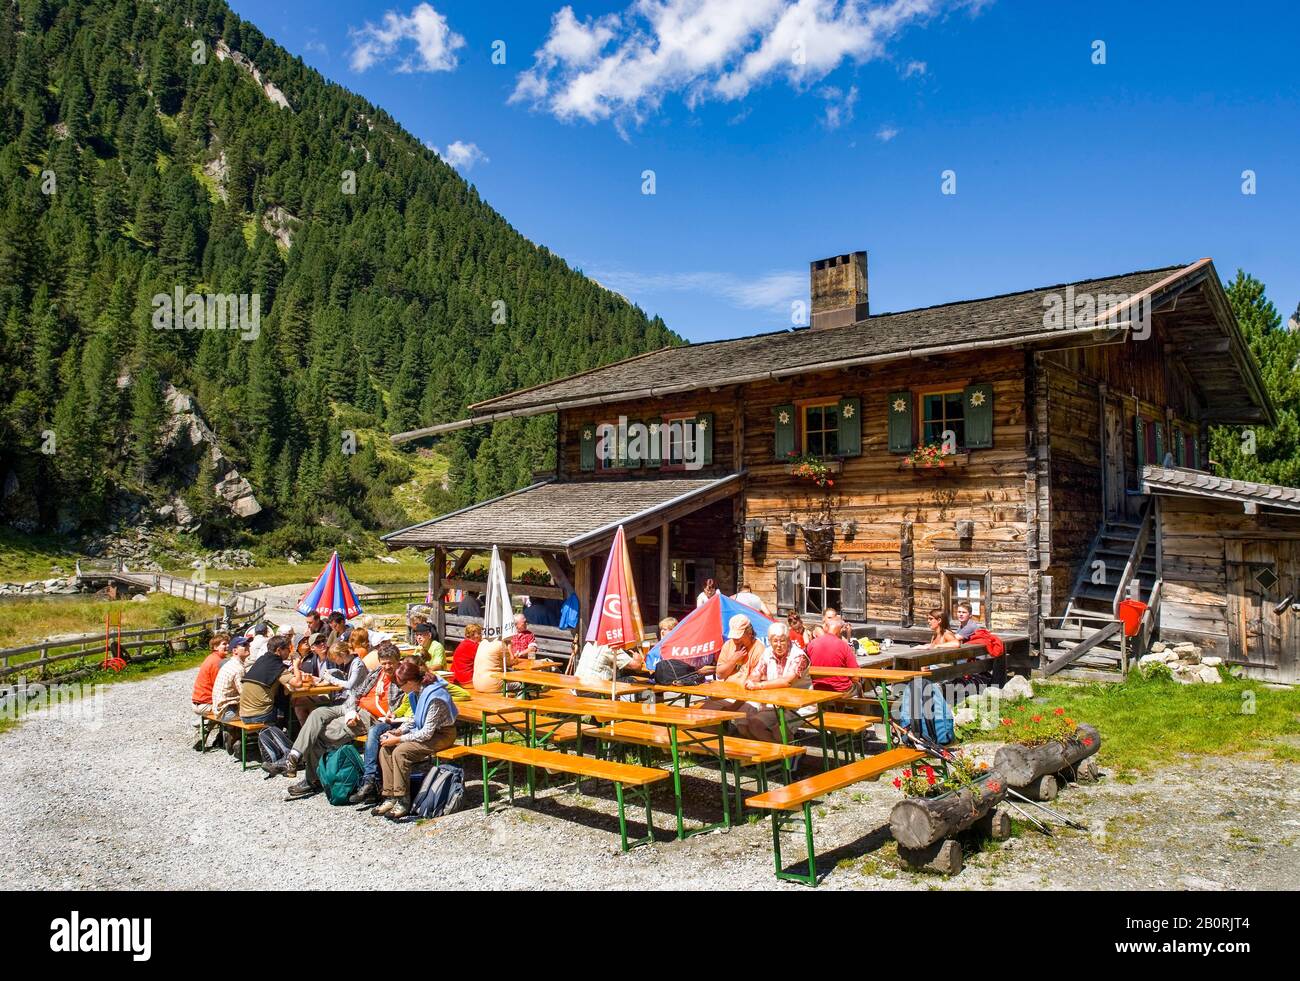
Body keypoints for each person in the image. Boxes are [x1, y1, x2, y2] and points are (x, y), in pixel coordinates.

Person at [374, 658, 459, 820]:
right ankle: (390, 796)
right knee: (386, 748)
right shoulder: (417, 692)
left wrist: (398, 740)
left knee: (400, 752)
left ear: (411, 681)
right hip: (428, 733)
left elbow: (426, 733)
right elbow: (415, 718)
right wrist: (398, 732)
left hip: (443, 734)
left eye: (400, 684)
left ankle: (403, 800)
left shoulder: (434, 696)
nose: (399, 688)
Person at [347, 642, 406, 804]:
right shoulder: (377, 673)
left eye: (390, 663)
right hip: (371, 715)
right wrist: (352, 710)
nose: (387, 666)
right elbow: (357, 691)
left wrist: (394, 713)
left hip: (395, 721)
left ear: (397, 661)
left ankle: (369, 780)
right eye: (384, 663)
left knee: (374, 732)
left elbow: (406, 702)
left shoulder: (403, 675)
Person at [736, 621, 813, 742]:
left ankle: (791, 757)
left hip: (800, 706)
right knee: (753, 724)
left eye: (782, 640)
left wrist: (758, 685)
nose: (779, 645)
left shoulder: (799, 656)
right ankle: (777, 757)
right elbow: (757, 672)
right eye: (775, 641)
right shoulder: (767, 652)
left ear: (788, 640)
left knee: (779, 730)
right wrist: (750, 680)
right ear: (770, 641)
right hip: (776, 704)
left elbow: (787, 681)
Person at [239, 635, 294, 726]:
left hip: (244, 715)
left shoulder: (261, 660)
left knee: (279, 693)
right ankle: (283, 733)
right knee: (283, 699)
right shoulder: (276, 665)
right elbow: (297, 683)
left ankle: (281, 732)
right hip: (261, 716)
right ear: (279, 650)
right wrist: (296, 664)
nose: (289, 652)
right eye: (288, 649)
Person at [190, 634, 229, 745]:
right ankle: (226, 739)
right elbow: (221, 687)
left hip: (198, 701)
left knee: (221, 710)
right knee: (230, 712)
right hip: (205, 703)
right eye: (224, 644)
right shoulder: (217, 663)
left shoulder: (212, 658)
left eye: (227, 643)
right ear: (215, 647)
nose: (227, 646)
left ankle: (210, 736)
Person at [807, 619, 858, 696]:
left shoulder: (812, 644)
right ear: (840, 630)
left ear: (826, 628)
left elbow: (805, 665)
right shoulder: (844, 646)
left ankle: (824, 708)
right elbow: (855, 675)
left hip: (817, 687)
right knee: (859, 687)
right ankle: (860, 708)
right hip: (840, 689)